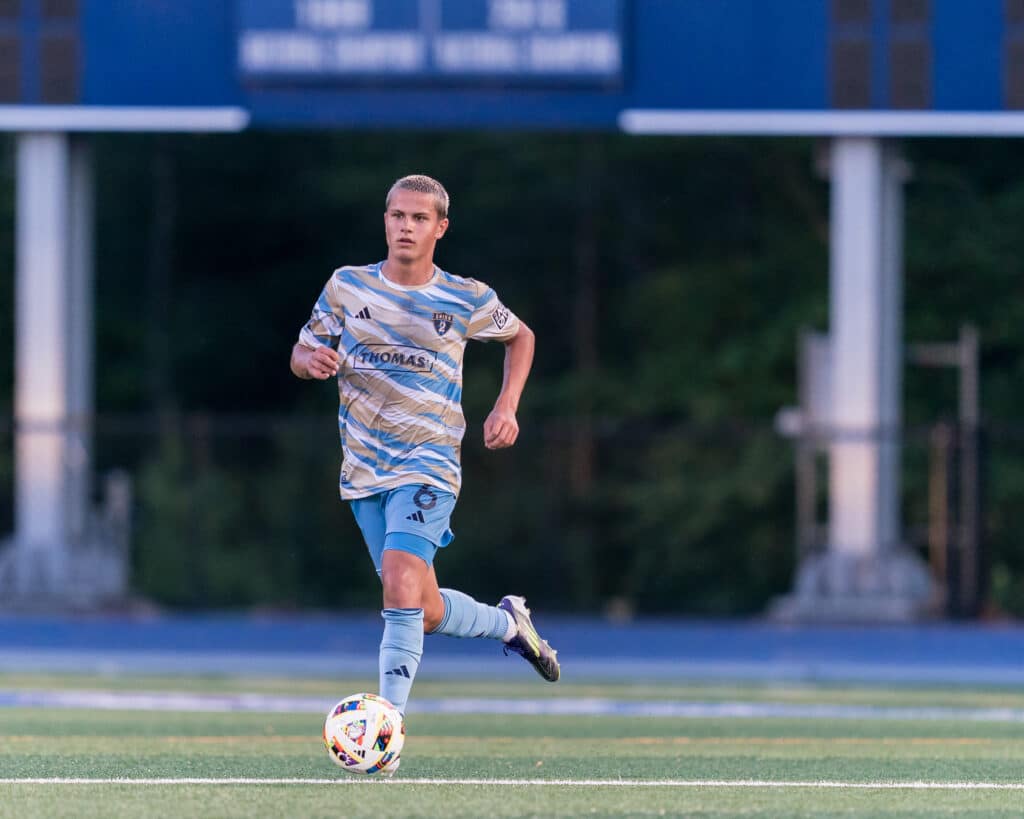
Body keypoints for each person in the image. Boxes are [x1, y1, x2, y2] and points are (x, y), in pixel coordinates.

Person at [290, 174, 559, 723]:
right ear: (385, 221)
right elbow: (304, 348)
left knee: (400, 577)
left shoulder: (464, 296)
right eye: (396, 216)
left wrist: (507, 405)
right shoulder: (347, 286)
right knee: (423, 607)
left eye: (418, 218)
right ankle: (510, 624)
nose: (405, 227)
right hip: (365, 467)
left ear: (441, 228)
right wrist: (309, 361)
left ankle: (385, 725)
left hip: (430, 460)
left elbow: (521, 336)